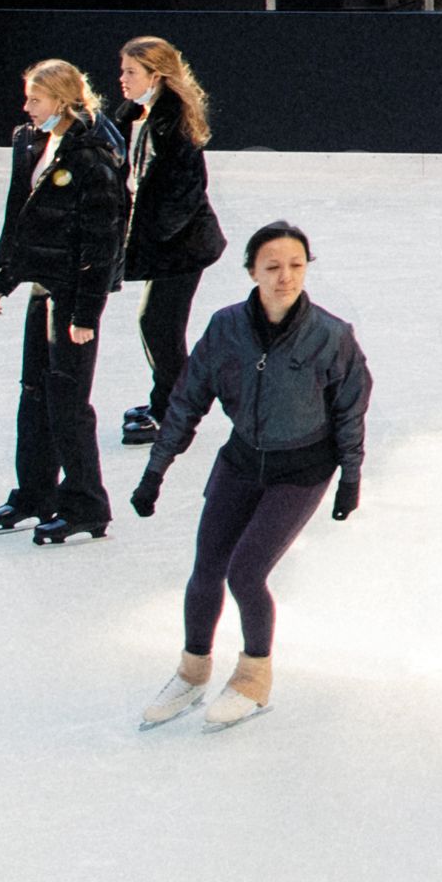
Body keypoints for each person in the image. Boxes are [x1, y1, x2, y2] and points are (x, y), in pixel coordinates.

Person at [126, 221, 371, 732]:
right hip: (241, 461)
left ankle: (254, 680)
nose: (286, 277)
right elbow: (186, 401)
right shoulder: (225, 329)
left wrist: (350, 476)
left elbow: (350, 408)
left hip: (300, 470)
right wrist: (156, 472)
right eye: (274, 267)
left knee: (246, 573)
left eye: (297, 266)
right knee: (206, 569)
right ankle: (192, 673)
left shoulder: (331, 336)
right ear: (252, 272)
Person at [0, 58, 132, 543]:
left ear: (63, 102)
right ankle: (35, 492)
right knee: (34, 394)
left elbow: (103, 238)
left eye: (36, 100)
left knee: (68, 401)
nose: (27, 108)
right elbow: (17, 215)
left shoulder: (93, 155)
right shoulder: (28, 141)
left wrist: (88, 311)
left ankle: (87, 502)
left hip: (74, 294)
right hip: (42, 289)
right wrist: (2, 278)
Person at [111, 37, 225, 449]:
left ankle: (173, 414)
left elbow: (185, 192)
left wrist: (147, 239)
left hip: (182, 246)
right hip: (164, 243)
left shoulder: (174, 121)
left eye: (130, 72)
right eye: (123, 70)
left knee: (158, 324)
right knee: (157, 325)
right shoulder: (135, 114)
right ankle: (166, 403)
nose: (121, 79)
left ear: (155, 76)